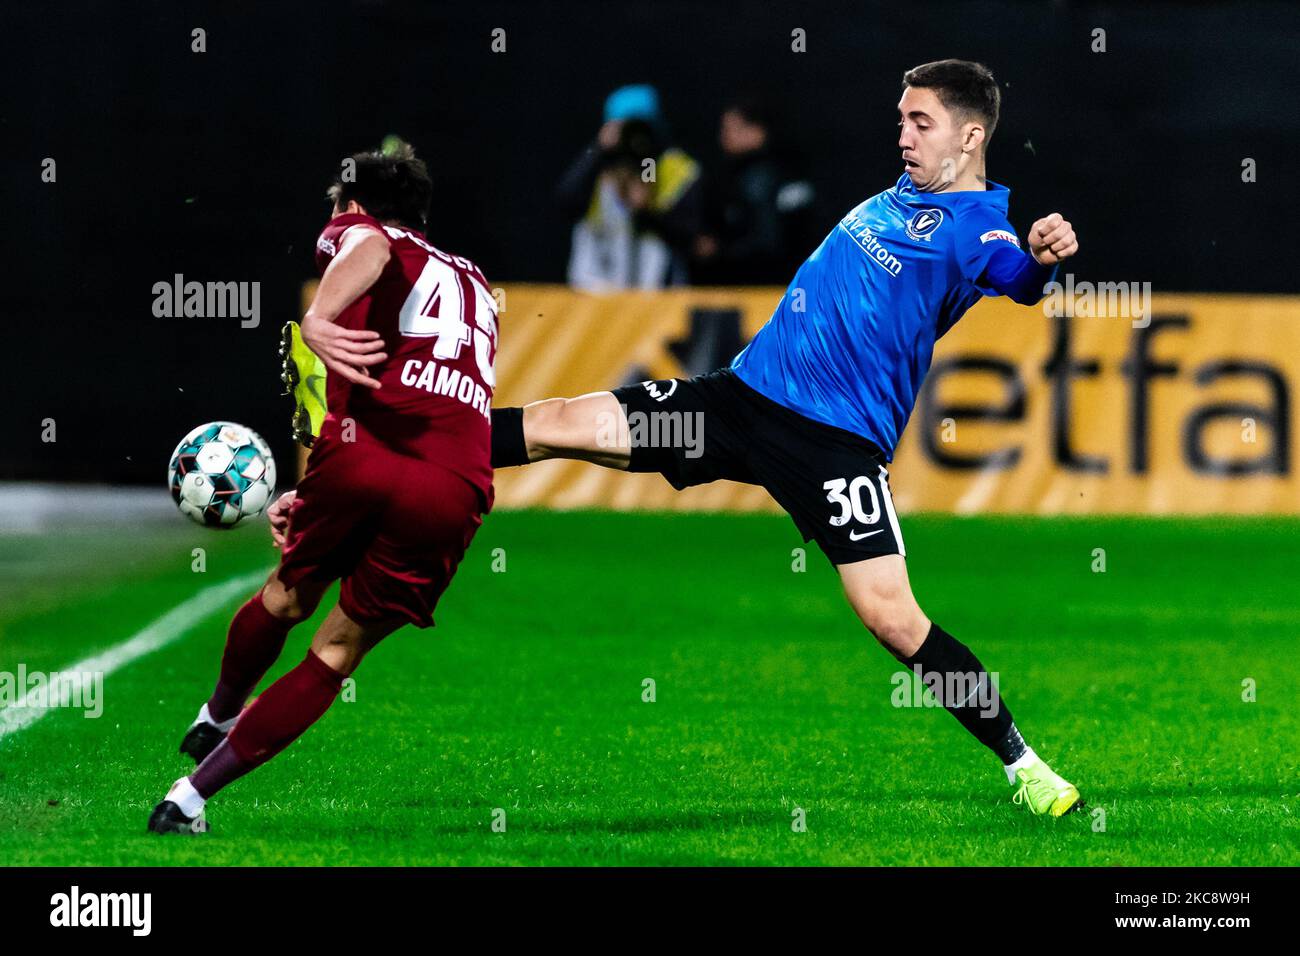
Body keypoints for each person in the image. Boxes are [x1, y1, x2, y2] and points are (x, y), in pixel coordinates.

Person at [486, 60, 1085, 816]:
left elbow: (1014, 275)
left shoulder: (978, 227)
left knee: (894, 620)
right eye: (901, 118)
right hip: (738, 405)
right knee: (560, 422)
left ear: (970, 137)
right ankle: (396, 453)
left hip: (833, 448)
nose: (902, 134)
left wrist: (1039, 261)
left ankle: (1024, 767)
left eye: (920, 122)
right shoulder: (904, 193)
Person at [147, 142, 498, 833]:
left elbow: (365, 243)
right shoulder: (478, 285)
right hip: (453, 481)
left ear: (354, 203)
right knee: (335, 653)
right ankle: (189, 799)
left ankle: (217, 712)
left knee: (285, 596)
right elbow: (439, 391)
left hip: (364, 458)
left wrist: (317, 317)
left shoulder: (364, 232)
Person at [557, 84, 703, 290]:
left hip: (657, 294)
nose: (634, 140)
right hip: (597, 295)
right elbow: (566, 201)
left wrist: (645, 210)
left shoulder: (674, 167)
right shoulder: (598, 166)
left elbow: (690, 235)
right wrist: (599, 149)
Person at [693, 96, 816, 284]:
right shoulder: (745, 174)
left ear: (757, 131)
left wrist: (718, 251)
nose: (724, 137)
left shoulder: (761, 178)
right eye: (723, 130)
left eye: (732, 129)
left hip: (767, 288)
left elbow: (768, 244)